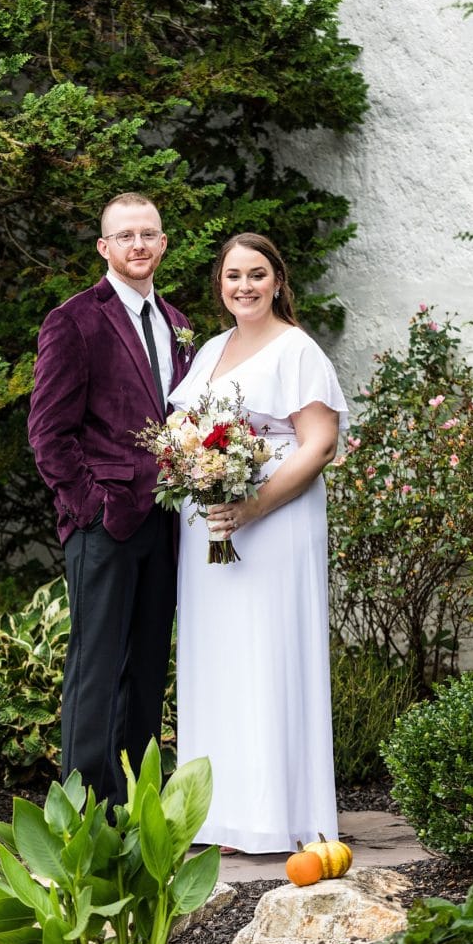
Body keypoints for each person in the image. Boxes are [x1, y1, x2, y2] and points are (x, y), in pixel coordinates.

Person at [169, 232, 348, 854]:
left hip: (274, 522)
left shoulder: (298, 350)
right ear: (220, 284)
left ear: (278, 281)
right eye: (232, 275)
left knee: (269, 652)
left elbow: (319, 443)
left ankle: (279, 814)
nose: (244, 286)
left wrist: (253, 507)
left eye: (257, 275)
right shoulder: (212, 349)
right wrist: (194, 473)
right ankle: (216, 814)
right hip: (210, 526)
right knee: (216, 657)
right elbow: (182, 430)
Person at [28, 192, 194, 809]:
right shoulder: (74, 320)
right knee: (96, 670)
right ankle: (80, 812)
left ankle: (130, 809)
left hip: (167, 521)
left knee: (147, 670)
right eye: (124, 236)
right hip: (104, 523)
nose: (138, 246)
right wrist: (90, 506)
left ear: (163, 243)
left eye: (148, 234)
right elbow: (48, 433)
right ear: (104, 247)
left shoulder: (178, 323)